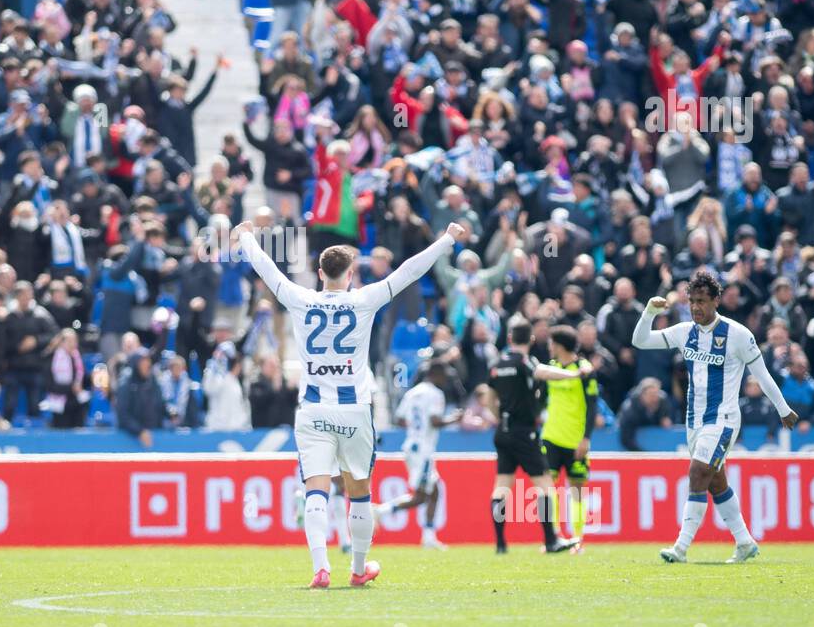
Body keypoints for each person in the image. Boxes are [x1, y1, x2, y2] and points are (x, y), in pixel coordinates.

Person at [232, 216, 468, 588]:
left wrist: (246, 238)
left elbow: (267, 269)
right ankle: (358, 570)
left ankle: (320, 568)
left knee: (316, 489)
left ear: (320, 272)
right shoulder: (363, 300)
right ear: (351, 272)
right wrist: (445, 240)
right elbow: (408, 272)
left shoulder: (300, 298)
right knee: (359, 492)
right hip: (355, 411)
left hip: (312, 410)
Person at [632, 269, 798, 564]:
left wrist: (783, 409)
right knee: (715, 482)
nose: (696, 307)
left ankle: (681, 548)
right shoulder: (685, 332)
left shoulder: (738, 335)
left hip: (723, 420)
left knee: (697, 473)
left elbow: (763, 376)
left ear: (716, 301)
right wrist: (648, 312)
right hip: (694, 422)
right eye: (692, 301)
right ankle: (745, 542)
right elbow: (641, 341)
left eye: (702, 301)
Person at [487, 320, 587, 555]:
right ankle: (551, 540)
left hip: (502, 431)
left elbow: (489, 397)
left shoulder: (496, 364)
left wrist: (498, 417)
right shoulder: (526, 362)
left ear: (510, 339)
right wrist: (573, 374)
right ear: (531, 340)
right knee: (544, 486)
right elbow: (543, 372)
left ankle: (501, 544)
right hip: (524, 432)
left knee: (501, 488)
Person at [377, 363, 457, 550]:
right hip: (423, 450)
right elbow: (435, 420)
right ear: (435, 374)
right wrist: (454, 419)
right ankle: (380, 511)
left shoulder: (411, 393)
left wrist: (415, 427)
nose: (446, 380)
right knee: (420, 496)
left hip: (412, 445)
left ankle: (428, 536)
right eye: (444, 375)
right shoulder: (436, 394)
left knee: (434, 491)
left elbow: (399, 418)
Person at [540, 324, 599, 549]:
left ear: (558, 345)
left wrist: (586, 438)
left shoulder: (585, 370)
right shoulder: (551, 369)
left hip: (575, 441)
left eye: (551, 343)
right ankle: (553, 538)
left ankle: (578, 540)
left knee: (577, 490)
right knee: (547, 488)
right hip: (551, 437)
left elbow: (592, 407)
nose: (549, 347)